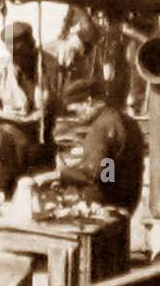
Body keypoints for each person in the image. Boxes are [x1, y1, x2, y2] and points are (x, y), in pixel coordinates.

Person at [0, 21, 60, 195]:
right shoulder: (1, 70)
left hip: (40, 134)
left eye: (25, 54)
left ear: (32, 45)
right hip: (10, 132)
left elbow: (55, 104)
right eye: (15, 55)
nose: (20, 60)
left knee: (42, 189)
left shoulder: (50, 65)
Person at [52, 77, 145, 212]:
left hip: (104, 206)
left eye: (75, 112)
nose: (75, 118)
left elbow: (93, 173)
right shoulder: (128, 121)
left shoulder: (100, 127)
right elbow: (108, 168)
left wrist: (59, 175)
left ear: (88, 101)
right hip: (127, 202)